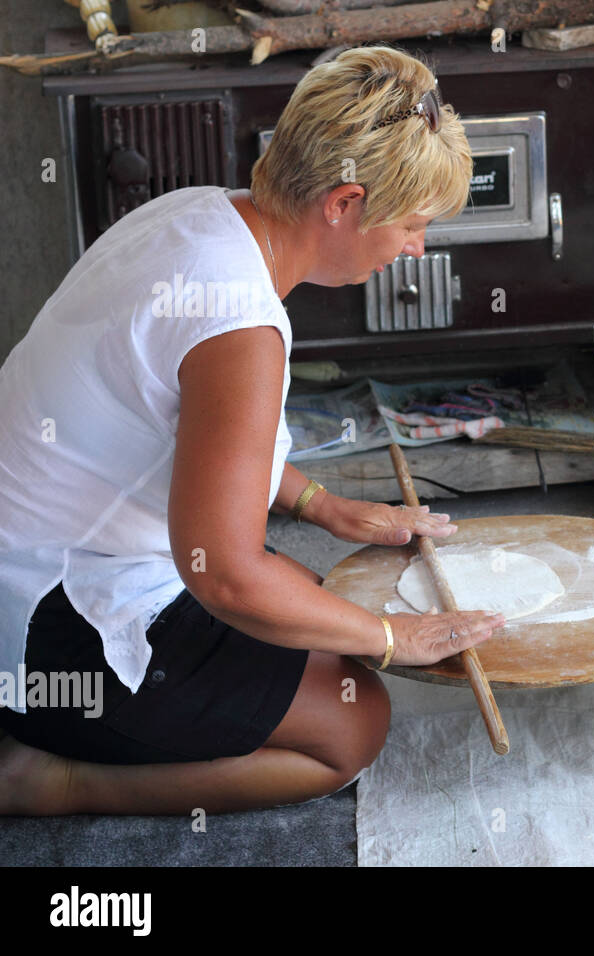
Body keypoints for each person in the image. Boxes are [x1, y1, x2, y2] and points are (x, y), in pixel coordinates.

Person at [0, 46, 506, 816]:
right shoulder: (238, 324)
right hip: (46, 628)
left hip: (30, 559)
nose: (416, 249)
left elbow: (185, 431)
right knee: (355, 719)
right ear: (342, 203)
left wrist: (321, 507)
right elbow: (225, 577)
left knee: (315, 601)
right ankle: (50, 780)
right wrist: (391, 637)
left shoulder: (201, 213)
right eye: (410, 224)